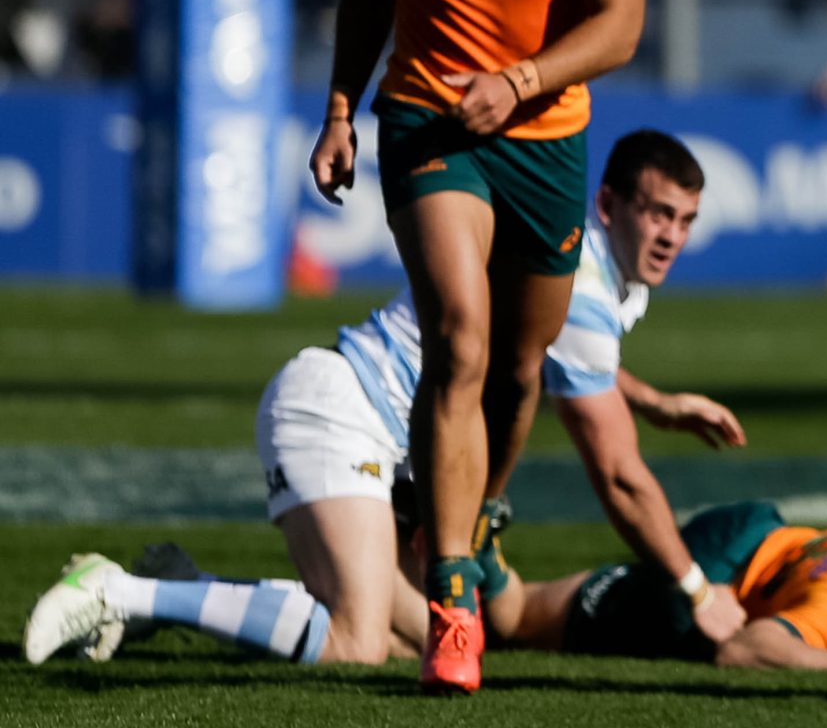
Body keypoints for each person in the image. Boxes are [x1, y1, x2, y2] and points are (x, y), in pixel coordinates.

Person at [24, 132, 747, 670]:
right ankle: (120, 591)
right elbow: (621, 476)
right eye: (657, 213)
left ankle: (181, 584)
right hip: (340, 413)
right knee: (359, 640)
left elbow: (549, 347)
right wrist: (695, 588)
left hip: (377, 434)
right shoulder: (585, 292)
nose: (670, 236)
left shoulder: (582, 269)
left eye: (684, 219)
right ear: (609, 204)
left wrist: (652, 400)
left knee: (417, 641)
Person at [306, 0, 650, 693]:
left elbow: (621, 25)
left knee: (518, 370)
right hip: (429, 124)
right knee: (457, 337)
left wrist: (526, 78)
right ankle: (454, 595)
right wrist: (338, 107)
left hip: (545, 139)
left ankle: (475, 513)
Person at [487, 502, 827, 677]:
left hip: (767, 531)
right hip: (720, 573)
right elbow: (743, 649)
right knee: (514, 622)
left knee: (416, 641)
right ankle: (464, 535)